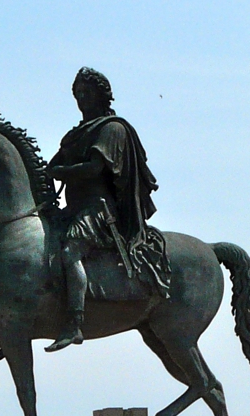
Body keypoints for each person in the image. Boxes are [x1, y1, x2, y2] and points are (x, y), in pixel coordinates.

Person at [43, 67, 164, 352]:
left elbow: (95, 168)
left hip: (98, 210)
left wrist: (60, 172)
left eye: (87, 93)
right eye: (77, 94)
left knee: (72, 251)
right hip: (73, 207)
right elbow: (52, 165)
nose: (81, 99)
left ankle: (74, 323)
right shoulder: (76, 134)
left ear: (101, 95)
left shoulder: (112, 129)